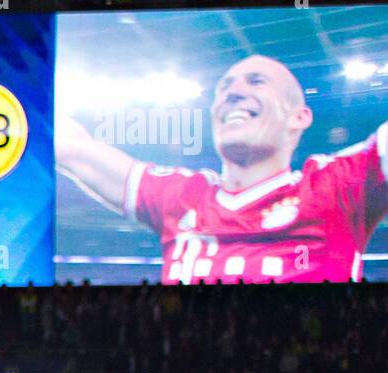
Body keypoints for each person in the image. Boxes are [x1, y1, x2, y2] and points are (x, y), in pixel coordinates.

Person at [56, 54, 388, 283]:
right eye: (224, 87)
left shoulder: (337, 187)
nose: (233, 93)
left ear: (298, 117)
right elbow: (72, 148)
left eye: (257, 82)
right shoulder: (180, 196)